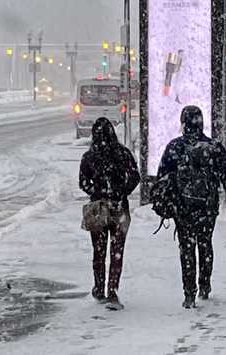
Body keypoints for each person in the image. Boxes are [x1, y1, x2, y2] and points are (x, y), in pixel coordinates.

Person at [158, 105, 226, 309]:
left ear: (183, 122)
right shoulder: (213, 147)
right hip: (207, 205)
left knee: (186, 247)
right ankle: (204, 284)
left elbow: (162, 177)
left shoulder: (174, 147)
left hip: (182, 205)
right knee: (205, 243)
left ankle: (189, 292)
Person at [79, 117, 140, 310]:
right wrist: (121, 191)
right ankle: (113, 289)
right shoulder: (122, 153)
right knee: (116, 252)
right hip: (119, 207)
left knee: (99, 251)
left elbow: (83, 182)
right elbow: (135, 176)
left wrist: (96, 192)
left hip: (98, 209)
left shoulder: (89, 156)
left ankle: (99, 287)